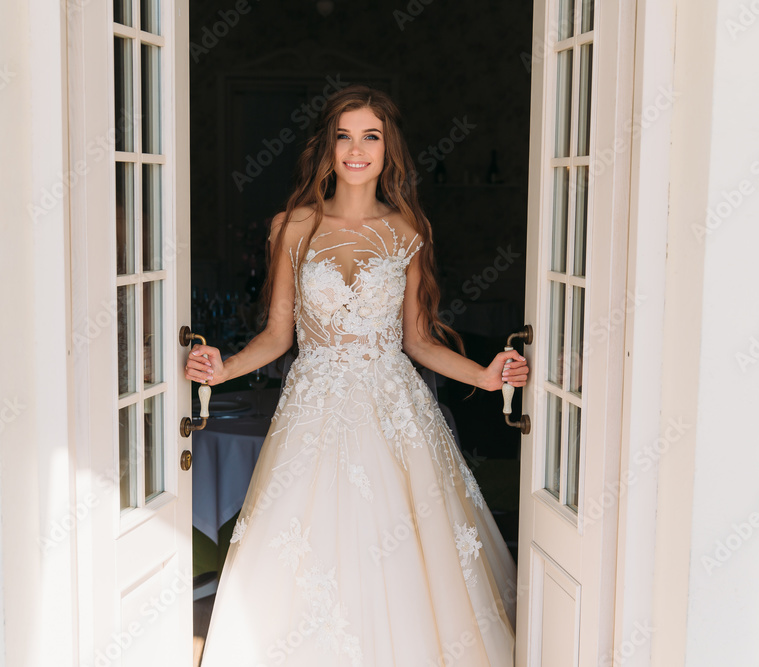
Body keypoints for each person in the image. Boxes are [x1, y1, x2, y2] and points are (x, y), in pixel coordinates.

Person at [187, 84, 530, 666]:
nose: (356, 149)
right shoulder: (291, 227)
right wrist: (224, 369)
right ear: (327, 146)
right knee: (307, 546)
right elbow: (277, 336)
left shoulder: (407, 231)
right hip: (313, 410)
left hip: (392, 407)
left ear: (387, 148)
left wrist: (487, 374)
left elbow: (419, 339)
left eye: (370, 135)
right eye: (344, 135)